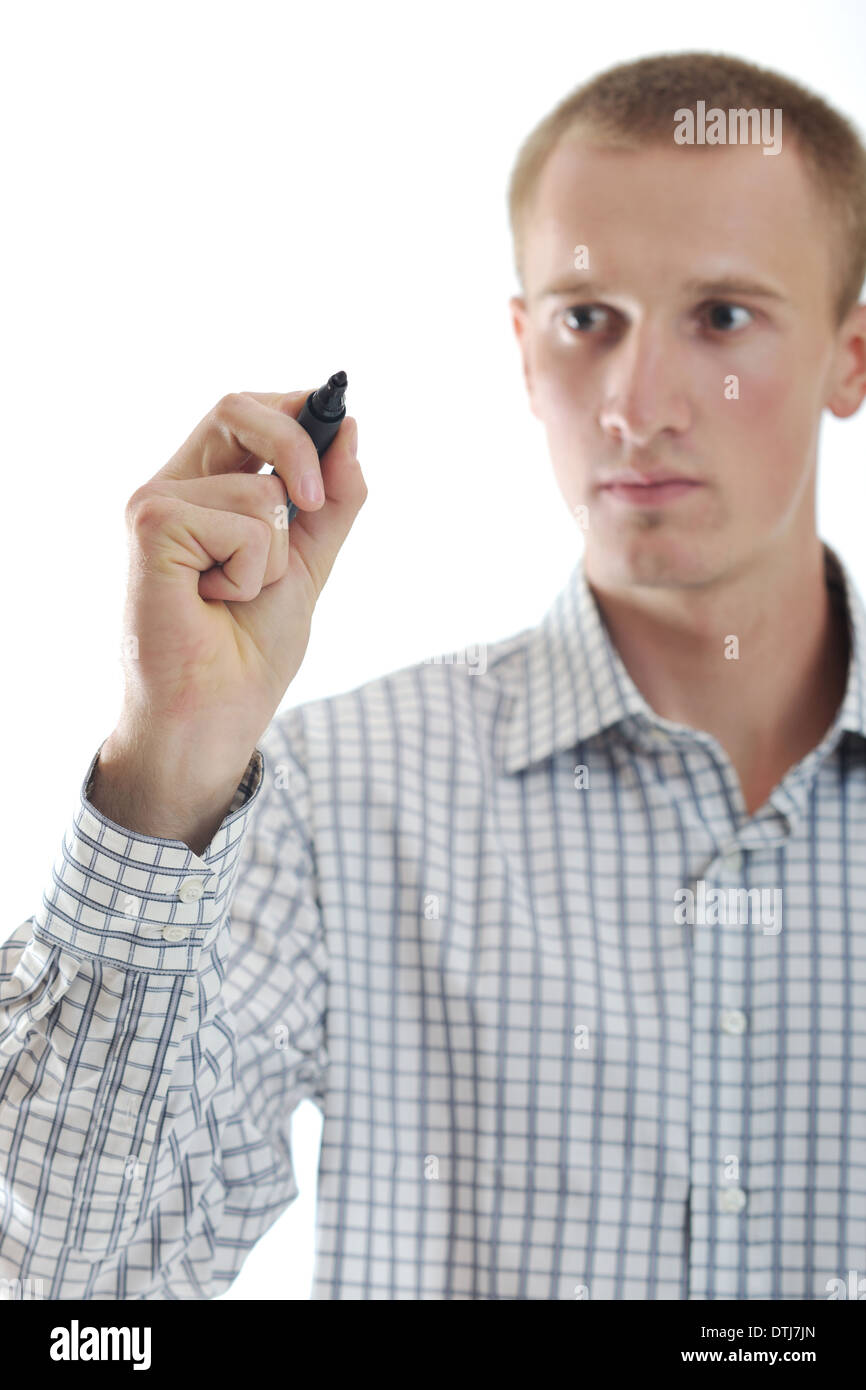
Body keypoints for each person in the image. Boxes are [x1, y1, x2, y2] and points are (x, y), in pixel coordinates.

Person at [2, 50, 866, 1302]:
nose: (634, 405)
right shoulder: (332, 797)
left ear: (850, 356)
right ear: (524, 351)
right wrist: (164, 778)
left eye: (721, 317)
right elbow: (53, 1291)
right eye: (586, 320)